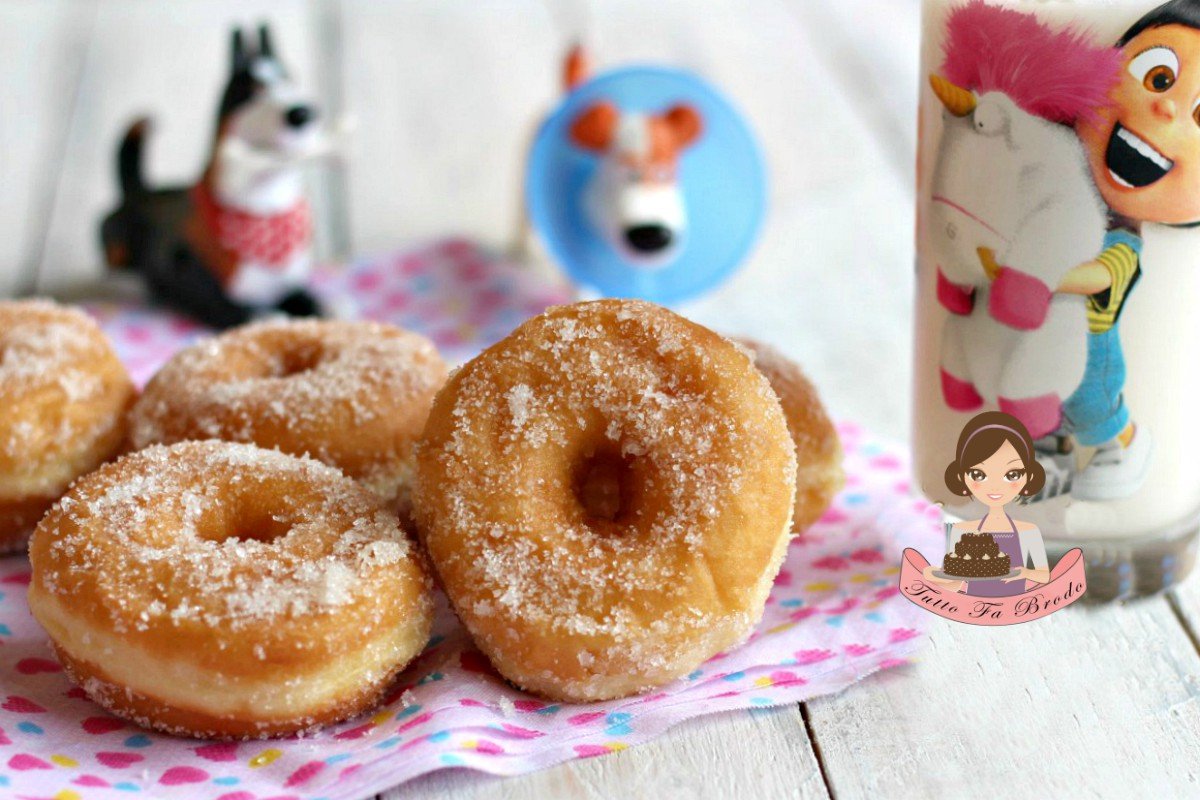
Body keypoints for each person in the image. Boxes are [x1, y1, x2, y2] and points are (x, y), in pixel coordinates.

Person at [926, 412, 1052, 597]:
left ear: (1029, 476)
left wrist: (1024, 573)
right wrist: (932, 576)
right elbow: (955, 584)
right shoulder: (961, 532)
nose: (994, 486)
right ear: (962, 477)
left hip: (1017, 605)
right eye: (979, 475)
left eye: (1012, 475)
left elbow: (1044, 575)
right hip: (972, 609)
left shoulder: (1028, 531)